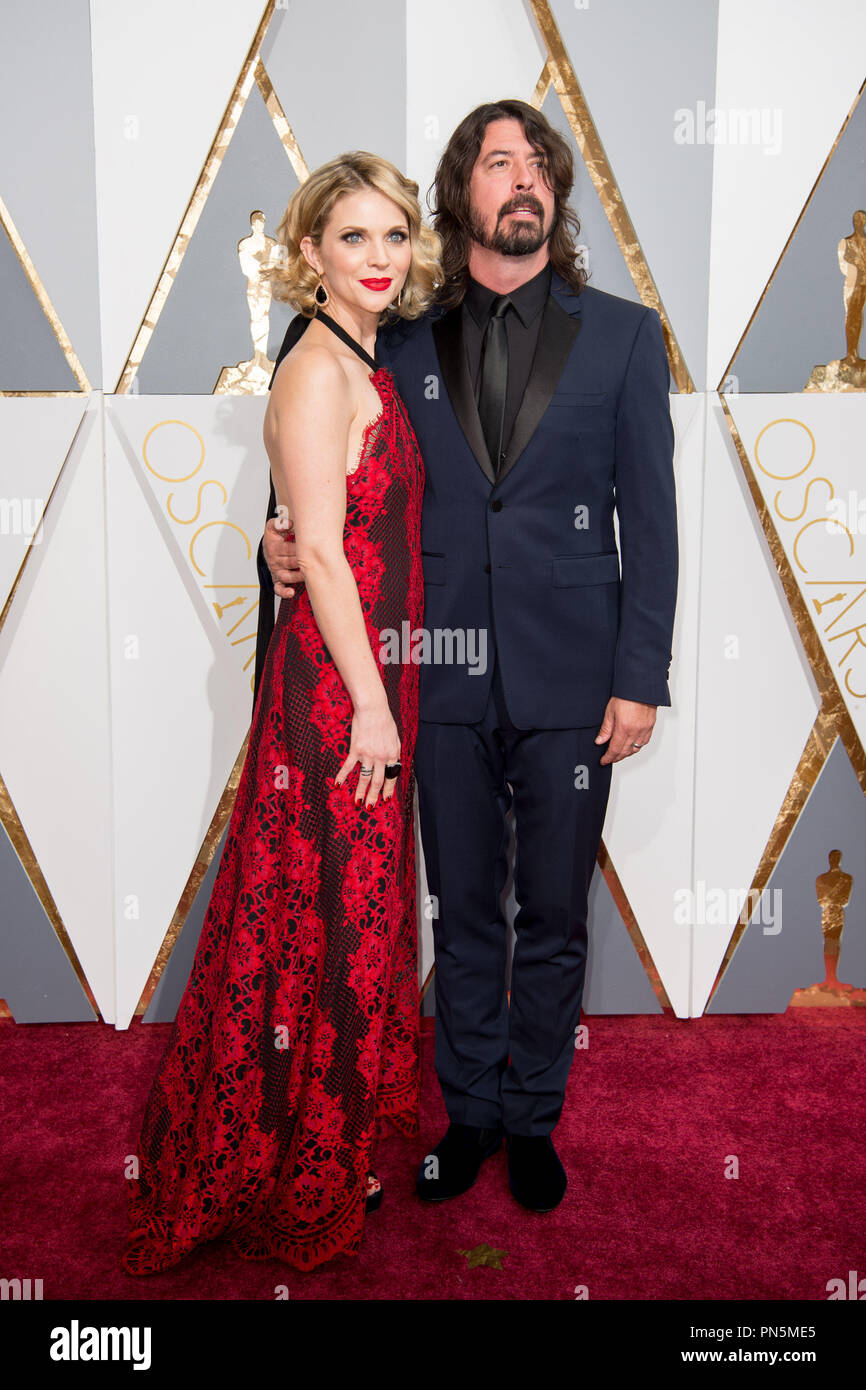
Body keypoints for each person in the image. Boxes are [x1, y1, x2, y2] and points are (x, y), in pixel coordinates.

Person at [261, 99, 678, 1216]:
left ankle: (533, 1113)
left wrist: (639, 674)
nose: (522, 177)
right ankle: (470, 1113)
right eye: (499, 162)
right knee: (459, 907)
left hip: (573, 678)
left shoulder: (626, 335)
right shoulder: (389, 333)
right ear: (463, 191)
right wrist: (278, 537)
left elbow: (653, 516)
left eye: (537, 161)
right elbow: (332, 479)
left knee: (550, 908)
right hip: (425, 674)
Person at [122, 151, 441, 1275]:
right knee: (318, 909)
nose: (378, 259)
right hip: (335, 691)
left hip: (364, 676)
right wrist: (369, 708)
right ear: (308, 252)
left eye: (393, 236)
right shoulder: (316, 367)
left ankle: (325, 1131)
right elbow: (321, 548)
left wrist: (299, 557)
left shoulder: (366, 358)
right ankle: (279, 1149)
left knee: (338, 911)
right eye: (353, 238)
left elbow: (317, 527)